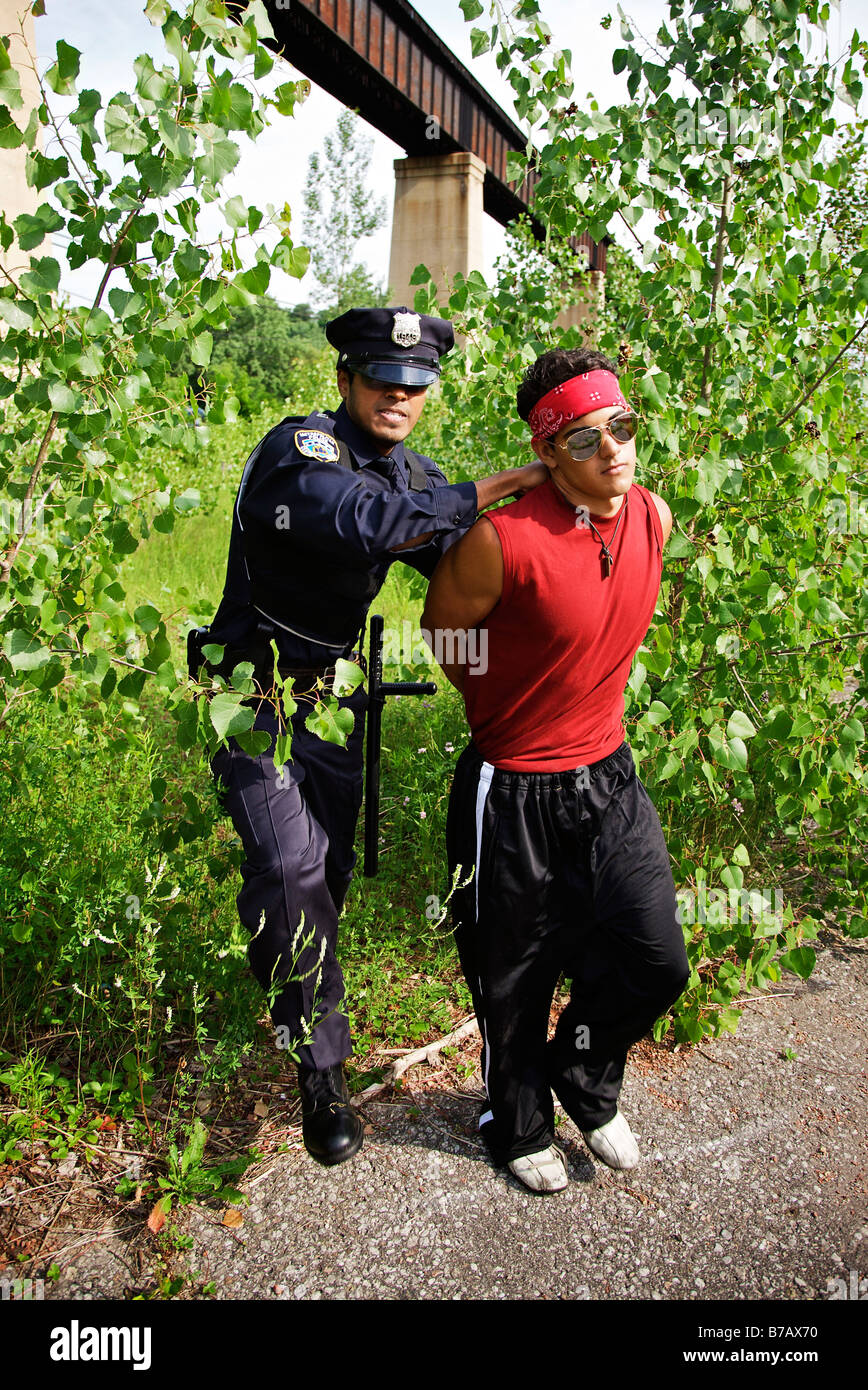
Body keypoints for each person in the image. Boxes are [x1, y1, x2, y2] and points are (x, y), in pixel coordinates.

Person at [199, 306, 547, 1168]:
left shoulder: (412, 472)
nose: (399, 397)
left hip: (335, 702)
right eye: (383, 381)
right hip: (253, 697)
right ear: (346, 380)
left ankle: (302, 991)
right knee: (290, 867)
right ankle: (321, 1076)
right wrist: (510, 479)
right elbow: (368, 524)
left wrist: (564, 533)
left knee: (328, 875)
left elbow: (464, 553)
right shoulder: (299, 452)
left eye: (415, 386)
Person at [421, 347, 690, 1193]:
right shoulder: (500, 540)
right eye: (583, 440)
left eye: (622, 427)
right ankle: (518, 1118)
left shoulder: (654, 516)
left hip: (608, 774)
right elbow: (443, 637)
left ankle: (582, 1074)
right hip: (515, 788)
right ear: (547, 452)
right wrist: (507, 710)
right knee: (514, 974)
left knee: (655, 958)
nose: (612, 449)